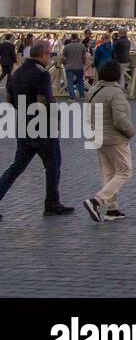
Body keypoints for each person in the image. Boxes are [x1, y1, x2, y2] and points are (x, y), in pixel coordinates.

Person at [0, 39, 74, 218]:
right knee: (53, 166)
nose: (50, 58)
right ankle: (51, 204)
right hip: (42, 128)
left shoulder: (17, 73)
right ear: (42, 55)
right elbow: (44, 100)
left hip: (23, 125)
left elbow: (9, 99)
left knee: (16, 167)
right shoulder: (42, 74)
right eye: (49, 54)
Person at [83, 61, 135, 222]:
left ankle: (112, 210)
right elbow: (119, 120)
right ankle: (97, 200)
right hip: (114, 138)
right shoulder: (115, 93)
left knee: (108, 172)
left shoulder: (93, 90)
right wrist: (131, 132)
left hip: (97, 136)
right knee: (125, 171)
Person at [60, 34, 88, 101]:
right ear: (77, 38)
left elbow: (63, 58)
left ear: (71, 38)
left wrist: (64, 64)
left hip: (69, 67)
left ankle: (72, 97)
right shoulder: (82, 46)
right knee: (80, 81)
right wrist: (83, 64)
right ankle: (82, 96)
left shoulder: (67, 47)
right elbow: (84, 57)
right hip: (79, 67)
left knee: (70, 82)